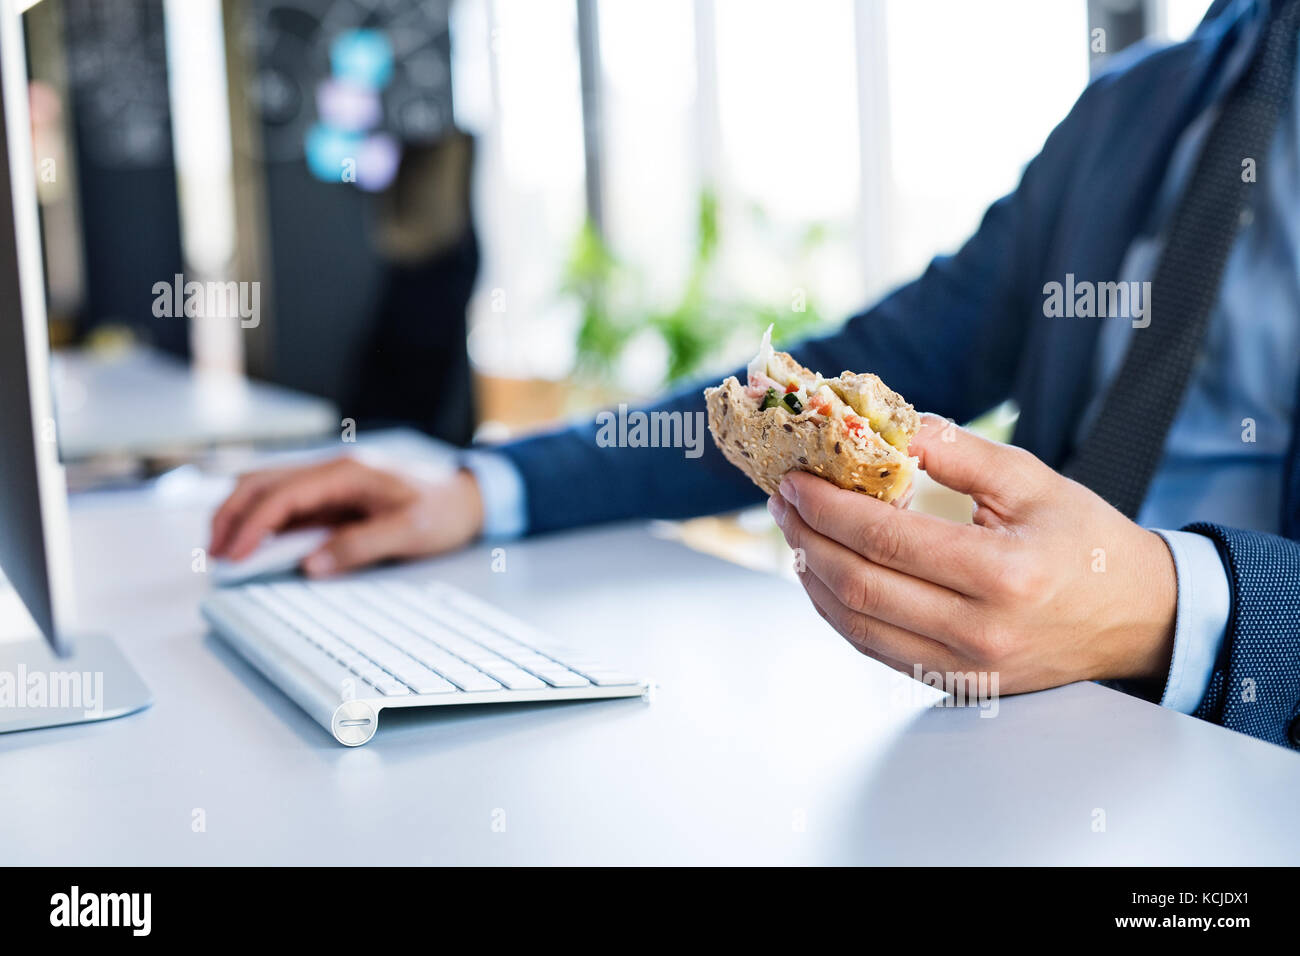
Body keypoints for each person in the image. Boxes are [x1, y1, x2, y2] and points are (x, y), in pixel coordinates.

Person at [209, 0, 1300, 751]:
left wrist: (1172, 604)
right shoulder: (1139, 106)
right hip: (1042, 748)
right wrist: (484, 487)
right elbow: (851, 373)